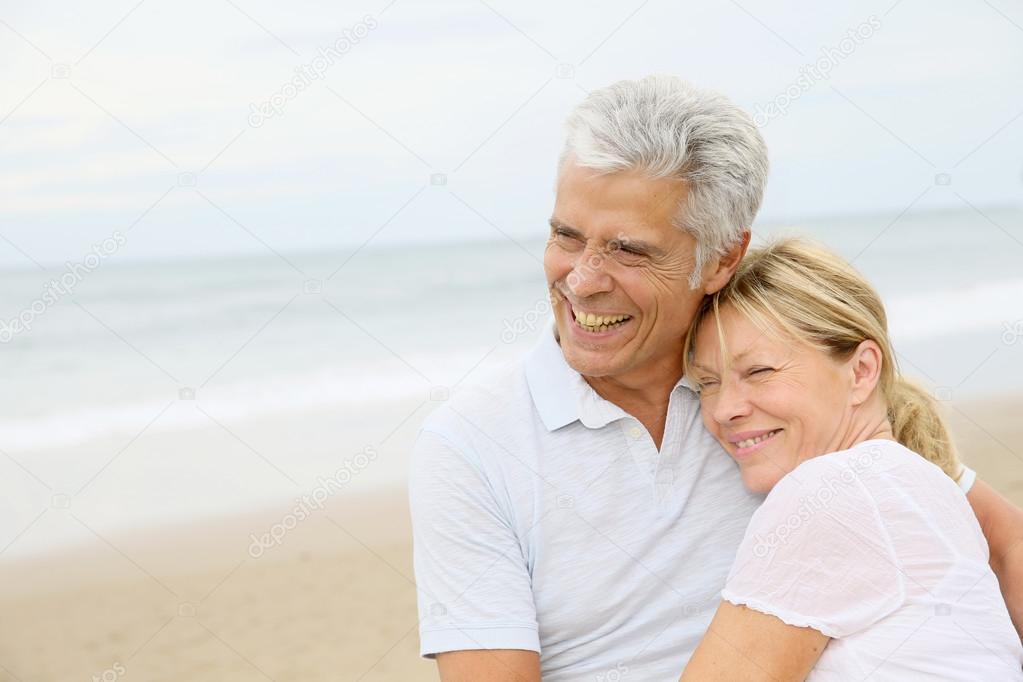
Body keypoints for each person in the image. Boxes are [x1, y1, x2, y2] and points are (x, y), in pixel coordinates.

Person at [408, 74, 1023, 681]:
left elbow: (1000, 542)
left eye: (630, 250)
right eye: (566, 237)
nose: (583, 279)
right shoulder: (469, 445)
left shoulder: (778, 405)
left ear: (722, 257)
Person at [679, 238, 1023, 680]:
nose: (725, 408)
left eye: (759, 371)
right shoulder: (920, 482)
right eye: (707, 383)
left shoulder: (829, 491)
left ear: (861, 371)